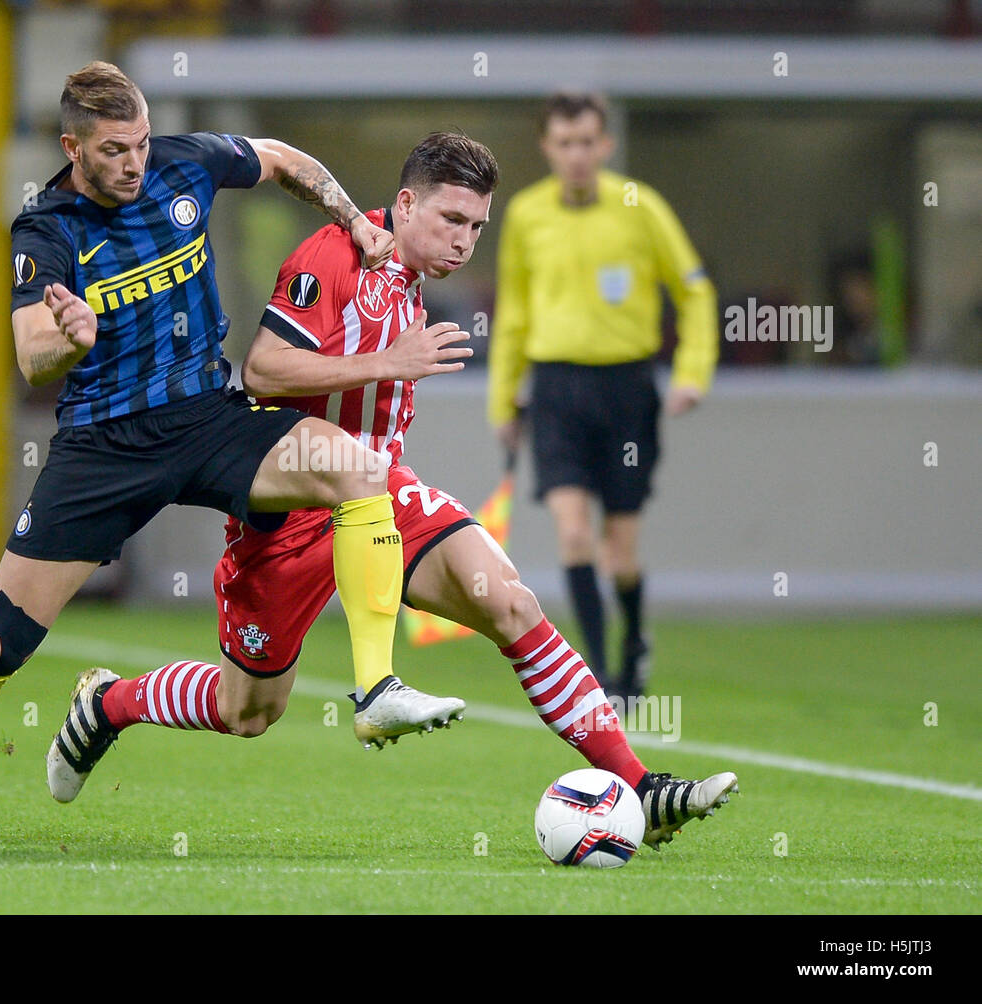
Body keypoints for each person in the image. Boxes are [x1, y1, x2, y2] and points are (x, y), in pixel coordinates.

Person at [0, 60, 453, 844]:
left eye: (142, 143)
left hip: (206, 417)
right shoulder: (46, 228)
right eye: (115, 150)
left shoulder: (184, 164)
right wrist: (69, 337)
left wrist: (351, 219)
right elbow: (30, 356)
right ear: (72, 147)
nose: (134, 163)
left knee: (359, 472)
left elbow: (285, 159)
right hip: (103, 447)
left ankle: (375, 688)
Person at [47, 132, 738, 847]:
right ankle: (108, 704)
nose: (465, 241)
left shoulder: (409, 276)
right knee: (246, 709)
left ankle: (639, 785)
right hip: (289, 510)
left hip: (379, 495)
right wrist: (390, 361)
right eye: (450, 220)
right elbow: (262, 372)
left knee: (509, 600)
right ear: (404, 204)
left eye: (476, 226)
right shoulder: (337, 253)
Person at [488, 93, 718, 699]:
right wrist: (503, 400)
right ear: (547, 148)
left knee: (621, 549)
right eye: (565, 143)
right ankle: (600, 673)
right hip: (556, 387)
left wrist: (693, 371)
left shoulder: (641, 208)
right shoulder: (527, 215)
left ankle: (635, 642)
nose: (577, 155)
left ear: (606, 145)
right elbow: (513, 311)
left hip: (627, 389)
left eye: (588, 142)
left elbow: (694, 290)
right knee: (571, 533)